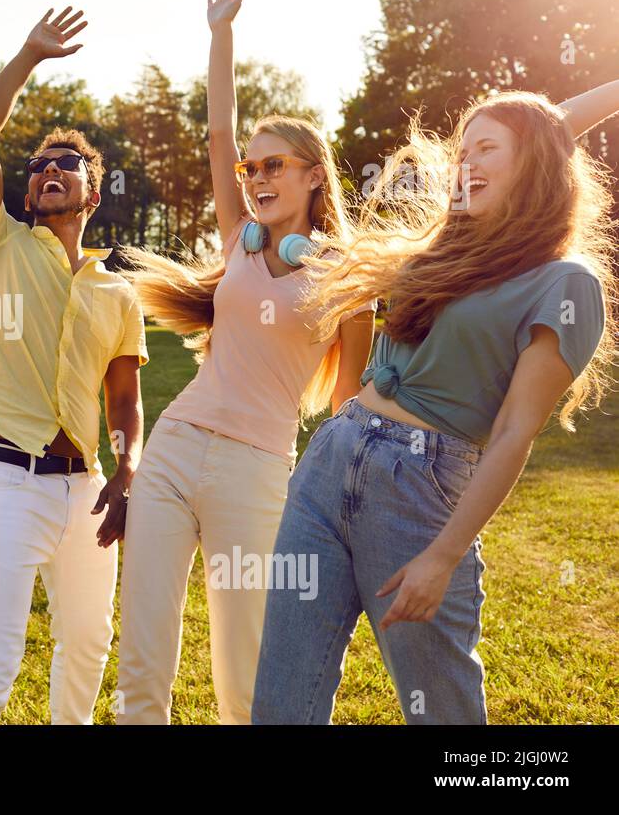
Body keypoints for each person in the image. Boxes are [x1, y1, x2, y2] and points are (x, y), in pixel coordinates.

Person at [251, 80, 619, 724]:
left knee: (441, 711)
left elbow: (513, 432)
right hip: (331, 462)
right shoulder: (449, 247)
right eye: (461, 151)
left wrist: (444, 554)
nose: (465, 164)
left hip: (420, 489)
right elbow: (536, 125)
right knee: (282, 700)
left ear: (534, 165)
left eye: (486, 150)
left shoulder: (565, 284)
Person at [113, 0, 375, 725]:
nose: (256, 175)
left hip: (256, 470)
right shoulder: (239, 240)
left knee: (245, 680)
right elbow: (218, 132)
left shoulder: (345, 279)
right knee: (143, 663)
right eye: (252, 168)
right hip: (173, 449)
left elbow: (345, 406)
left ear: (313, 176)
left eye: (275, 165)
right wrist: (221, 34)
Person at [0, 7, 147, 725]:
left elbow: (124, 398)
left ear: (93, 191)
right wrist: (29, 54)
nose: (50, 171)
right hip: (2, 478)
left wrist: (126, 471)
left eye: (69, 165)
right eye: (39, 167)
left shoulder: (116, 289)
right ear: (29, 192)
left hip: (85, 489)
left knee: (89, 646)